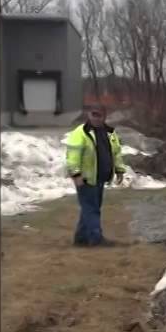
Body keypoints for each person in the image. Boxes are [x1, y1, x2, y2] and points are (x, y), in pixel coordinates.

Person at [65, 105, 126, 246]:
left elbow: (116, 153)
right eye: (94, 114)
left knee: (90, 207)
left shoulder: (110, 132)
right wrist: (76, 175)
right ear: (89, 114)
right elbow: (72, 156)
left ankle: (81, 238)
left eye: (99, 115)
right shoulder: (80, 133)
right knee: (91, 209)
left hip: (100, 177)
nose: (96, 118)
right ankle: (96, 239)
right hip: (85, 179)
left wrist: (119, 170)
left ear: (104, 116)